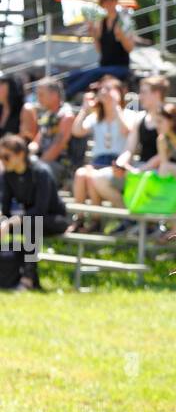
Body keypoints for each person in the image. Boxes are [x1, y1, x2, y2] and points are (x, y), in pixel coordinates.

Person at [0, 133, 69, 289]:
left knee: (31, 222)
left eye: (6, 156)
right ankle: (15, 277)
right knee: (24, 224)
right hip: (30, 219)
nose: (2, 161)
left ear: (21, 154)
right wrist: (3, 221)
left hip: (54, 219)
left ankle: (28, 279)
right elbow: (4, 207)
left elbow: (40, 210)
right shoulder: (8, 175)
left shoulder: (40, 172)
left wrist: (10, 222)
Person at [70, 77, 133, 216]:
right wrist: (85, 109)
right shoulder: (96, 117)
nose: (104, 92)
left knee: (92, 177)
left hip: (116, 164)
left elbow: (126, 131)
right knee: (80, 174)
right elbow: (76, 131)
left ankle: (95, 220)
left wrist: (116, 106)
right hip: (98, 162)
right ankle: (79, 218)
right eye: (102, 89)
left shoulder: (128, 115)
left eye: (109, 89)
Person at [63, 0, 136, 98]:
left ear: (116, 1)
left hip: (121, 67)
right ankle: (61, 93)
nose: (109, 2)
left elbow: (130, 48)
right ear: (101, 2)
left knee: (94, 73)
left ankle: (65, 97)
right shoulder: (100, 22)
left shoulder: (123, 21)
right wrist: (93, 35)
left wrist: (121, 36)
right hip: (104, 67)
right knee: (73, 75)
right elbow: (100, 50)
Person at [116, 74, 168, 177]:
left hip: (161, 171)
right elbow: (129, 149)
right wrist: (120, 164)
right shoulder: (139, 118)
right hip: (141, 168)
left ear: (156, 94)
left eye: (144, 92)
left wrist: (139, 170)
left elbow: (165, 153)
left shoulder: (168, 118)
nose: (140, 97)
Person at [31, 78, 75, 184]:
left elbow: (57, 147)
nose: (38, 98)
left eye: (41, 95)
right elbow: (36, 142)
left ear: (54, 95)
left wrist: (36, 164)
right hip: (43, 161)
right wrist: (23, 154)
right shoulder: (46, 115)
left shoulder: (66, 115)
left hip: (60, 165)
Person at [0, 73, 37, 143]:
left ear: (11, 86)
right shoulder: (1, 108)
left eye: (0, 83)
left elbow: (28, 139)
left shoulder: (26, 109)